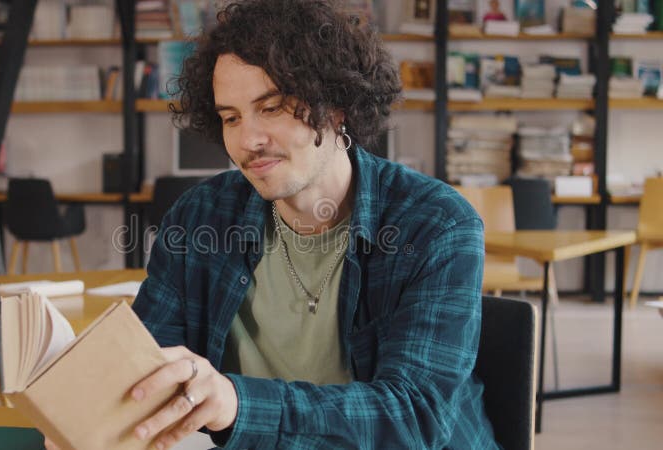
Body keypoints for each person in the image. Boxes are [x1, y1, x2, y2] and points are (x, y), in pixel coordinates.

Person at [47, 0, 498, 448]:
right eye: (230, 117)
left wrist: (238, 404)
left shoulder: (435, 224)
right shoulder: (198, 217)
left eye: (274, 107)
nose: (248, 140)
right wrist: (92, 416)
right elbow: (147, 368)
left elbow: (414, 419)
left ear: (337, 107)